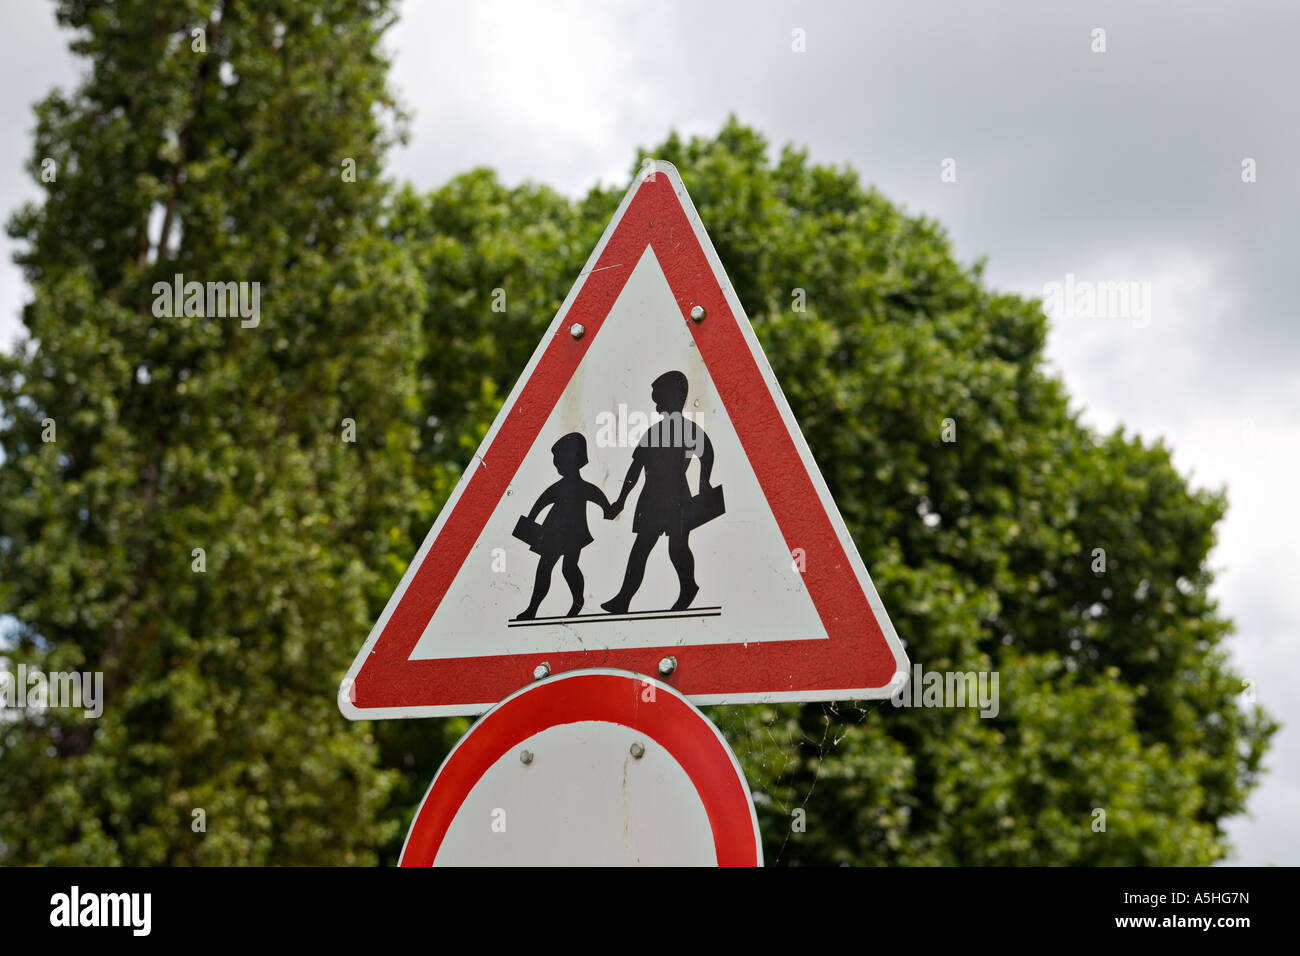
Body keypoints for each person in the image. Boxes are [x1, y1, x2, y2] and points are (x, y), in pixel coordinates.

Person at [602, 370, 720, 614]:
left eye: (659, 398)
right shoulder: (654, 432)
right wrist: (621, 500)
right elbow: (635, 469)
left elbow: (706, 452)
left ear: (674, 397)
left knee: (677, 547)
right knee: (641, 548)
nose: (656, 405)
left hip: (677, 497)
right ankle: (624, 598)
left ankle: (688, 587)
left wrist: (704, 482)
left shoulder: (687, 429)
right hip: (651, 498)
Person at [512, 433, 613, 620]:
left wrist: (610, 510)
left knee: (568, 568)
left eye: (559, 460)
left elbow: (601, 501)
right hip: (553, 533)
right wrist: (530, 522)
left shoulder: (582, 487)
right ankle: (532, 609)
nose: (557, 465)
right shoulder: (558, 487)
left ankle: (577, 602)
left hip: (574, 534)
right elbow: (540, 503)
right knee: (544, 568)